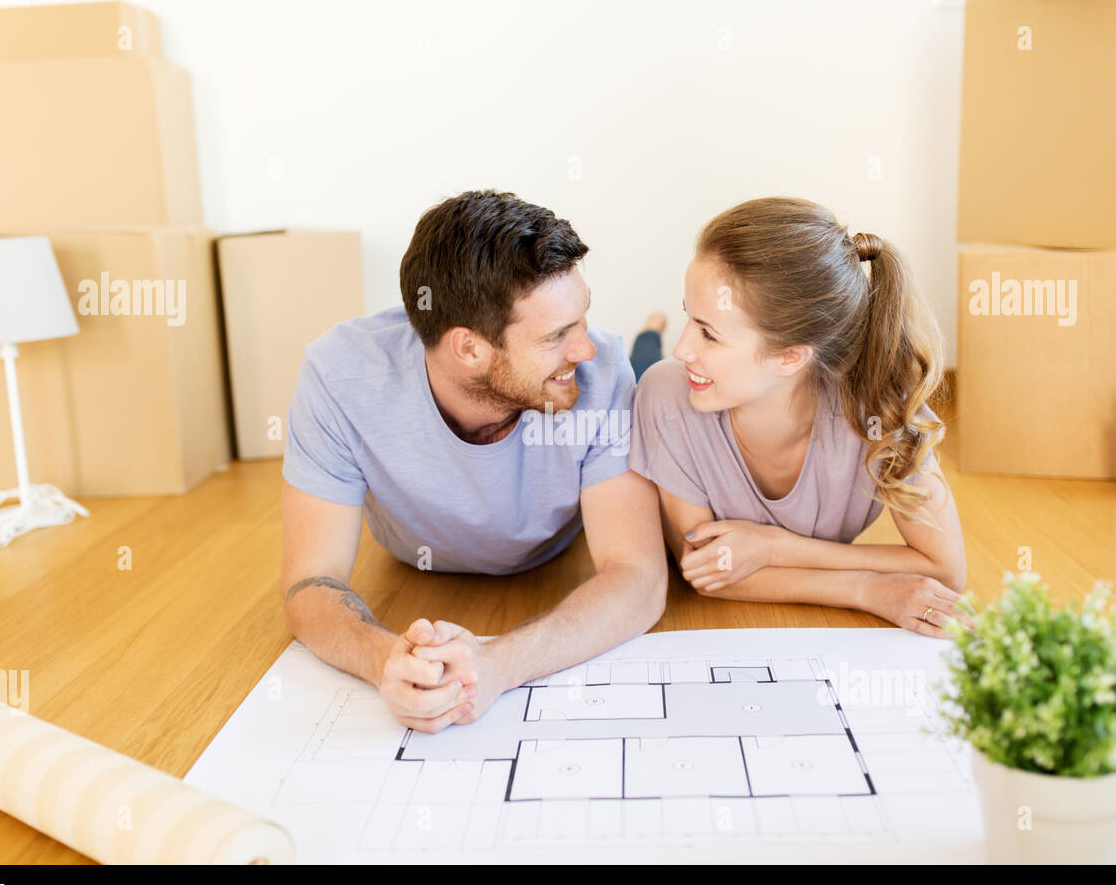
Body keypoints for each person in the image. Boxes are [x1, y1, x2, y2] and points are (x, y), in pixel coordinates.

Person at [280, 190, 667, 733]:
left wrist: (497, 665)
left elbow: (640, 579)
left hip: (547, 556)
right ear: (468, 349)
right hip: (414, 561)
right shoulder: (338, 374)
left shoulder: (602, 375)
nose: (584, 350)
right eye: (557, 335)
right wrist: (387, 661)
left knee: (650, 369)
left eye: (581, 320)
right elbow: (309, 580)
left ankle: (653, 331)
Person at [628, 197, 971, 638]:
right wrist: (867, 591)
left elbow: (946, 570)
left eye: (709, 333)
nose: (685, 347)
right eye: (688, 318)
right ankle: (648, 331)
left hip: (707, 387)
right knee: (647, 364)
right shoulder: (665, 397)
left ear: (790, 357)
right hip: (665, 388)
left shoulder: (878, 403)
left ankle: (650, 328)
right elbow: (709, 572)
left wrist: (773, 545)